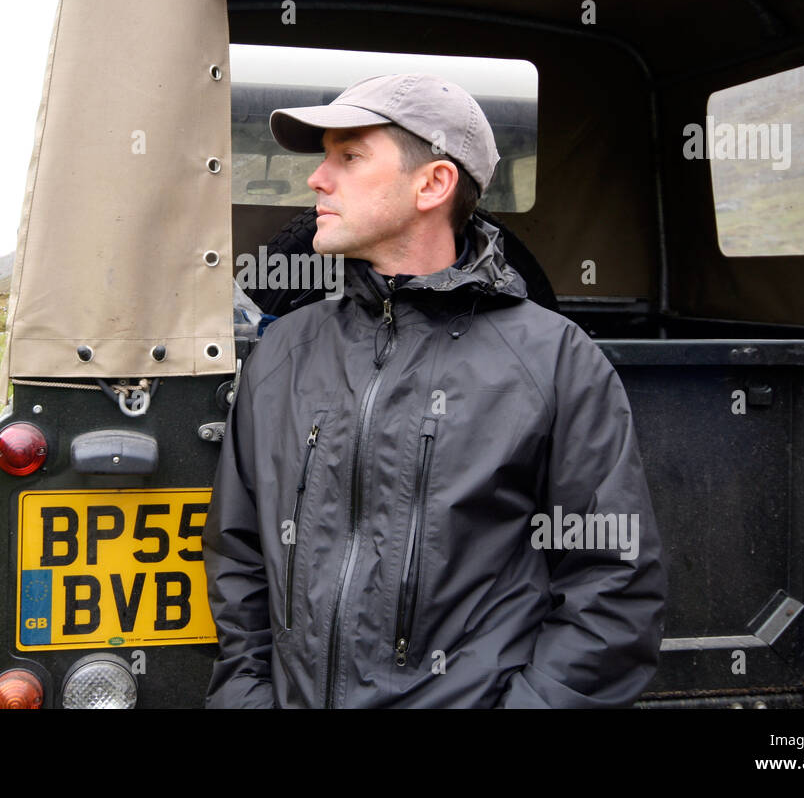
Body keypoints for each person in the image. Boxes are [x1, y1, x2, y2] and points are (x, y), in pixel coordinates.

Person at [202, 73, 667, 708]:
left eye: (350, 156)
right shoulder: (284, 354)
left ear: (433, 184)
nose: (317, 179)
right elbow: (241, 556)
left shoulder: (555, 360)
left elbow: (611, 583)